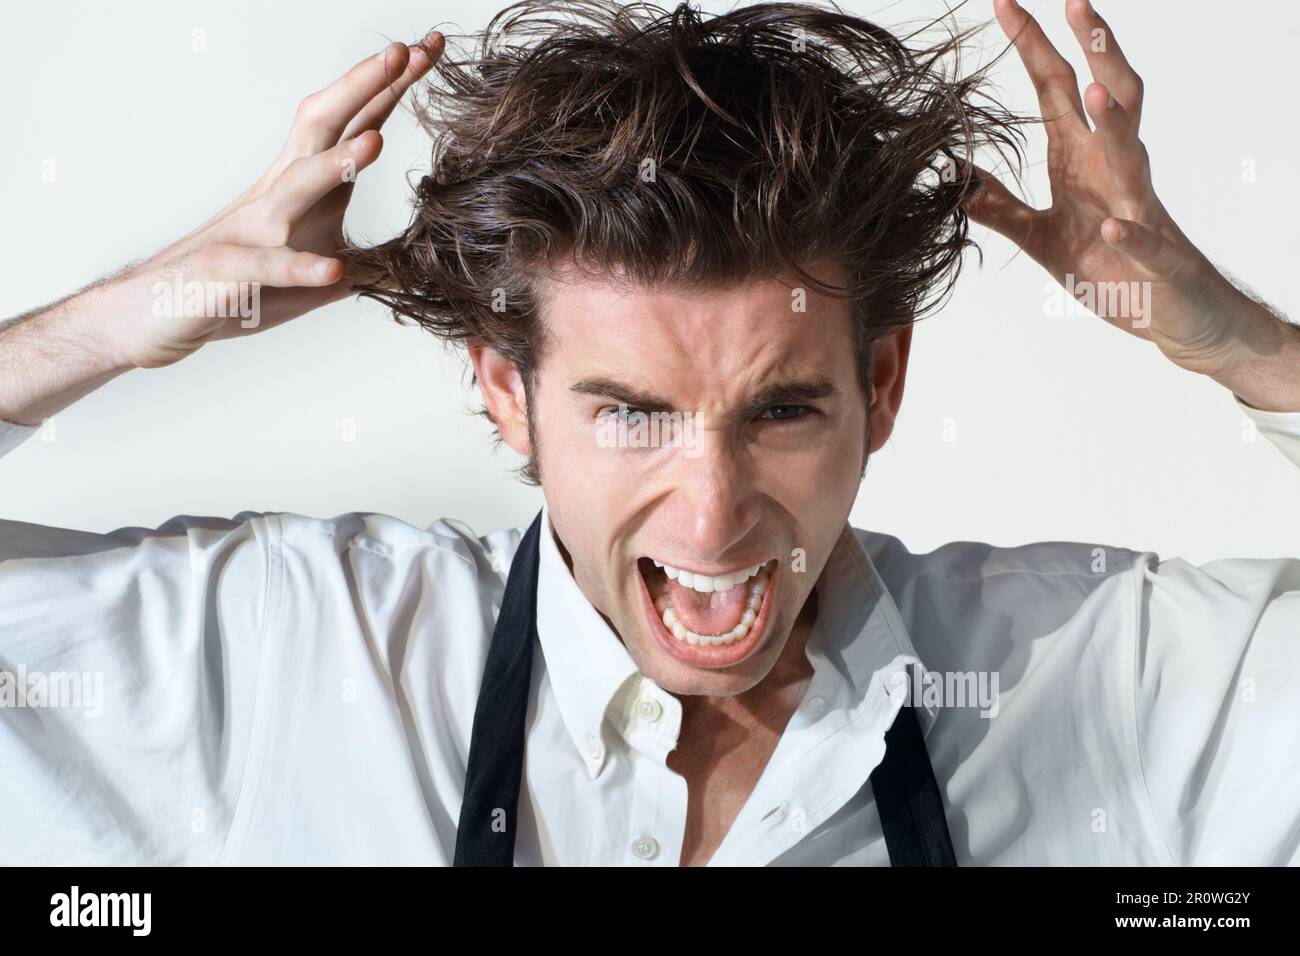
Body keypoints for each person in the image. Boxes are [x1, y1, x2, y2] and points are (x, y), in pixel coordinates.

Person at [2, 0, 1298, 867]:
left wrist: (1241, 344)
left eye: (782, 409)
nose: (713, 513)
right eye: (630, 413)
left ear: (883, 386)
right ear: (505, 393)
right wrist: (121, 317)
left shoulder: (1089, 689)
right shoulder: (302, 663)